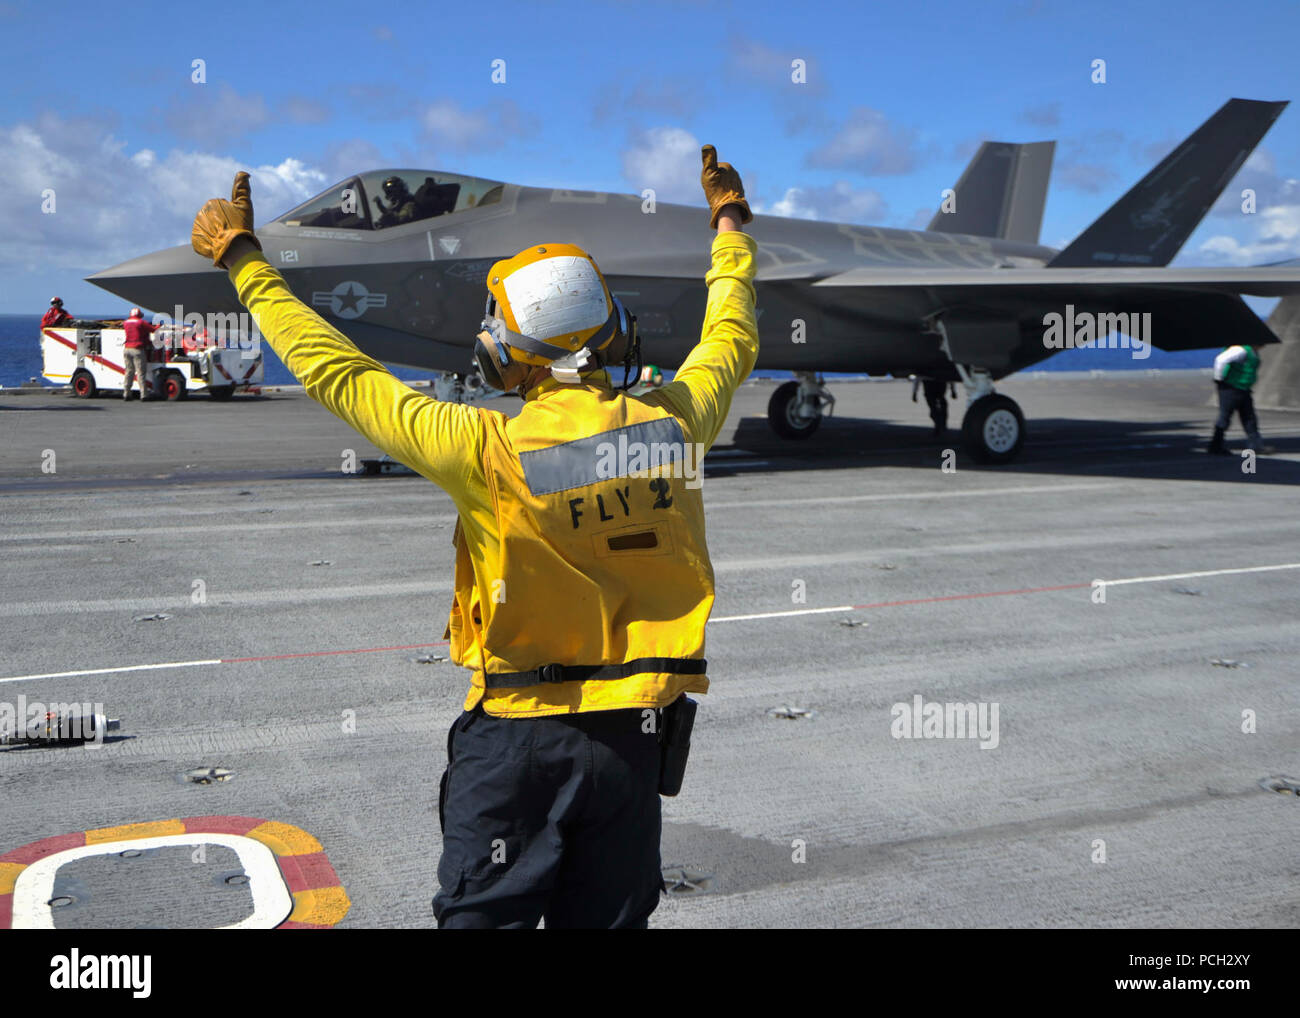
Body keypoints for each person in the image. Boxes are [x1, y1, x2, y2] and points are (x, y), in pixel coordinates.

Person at [190, 146, 756, 929]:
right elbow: (731, 331)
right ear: (616, 330)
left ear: (501, 353)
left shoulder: (480, 448)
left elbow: (337, 372)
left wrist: (244, 261)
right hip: (636, 741)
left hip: (518, 741)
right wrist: (729, 224)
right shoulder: (679, 420)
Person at [1208, 343, 1264, 454]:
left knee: (1249, 417)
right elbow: (1221, 360)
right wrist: (1218, 378)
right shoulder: (1240, 350)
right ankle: (1216, 445)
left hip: (1243, 389)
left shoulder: (1252, 352)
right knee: (1225, 417)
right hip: (1231, 388)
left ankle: (1255, 445)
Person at [121, 307, 159, 401]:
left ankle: (126, 393)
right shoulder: (141, 322)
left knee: (129, 372)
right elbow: (153, 330)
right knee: (141, 372)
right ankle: (143, 395)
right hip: (137, 349)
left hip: (127, 349)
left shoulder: (125, 323)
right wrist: (158, 325)